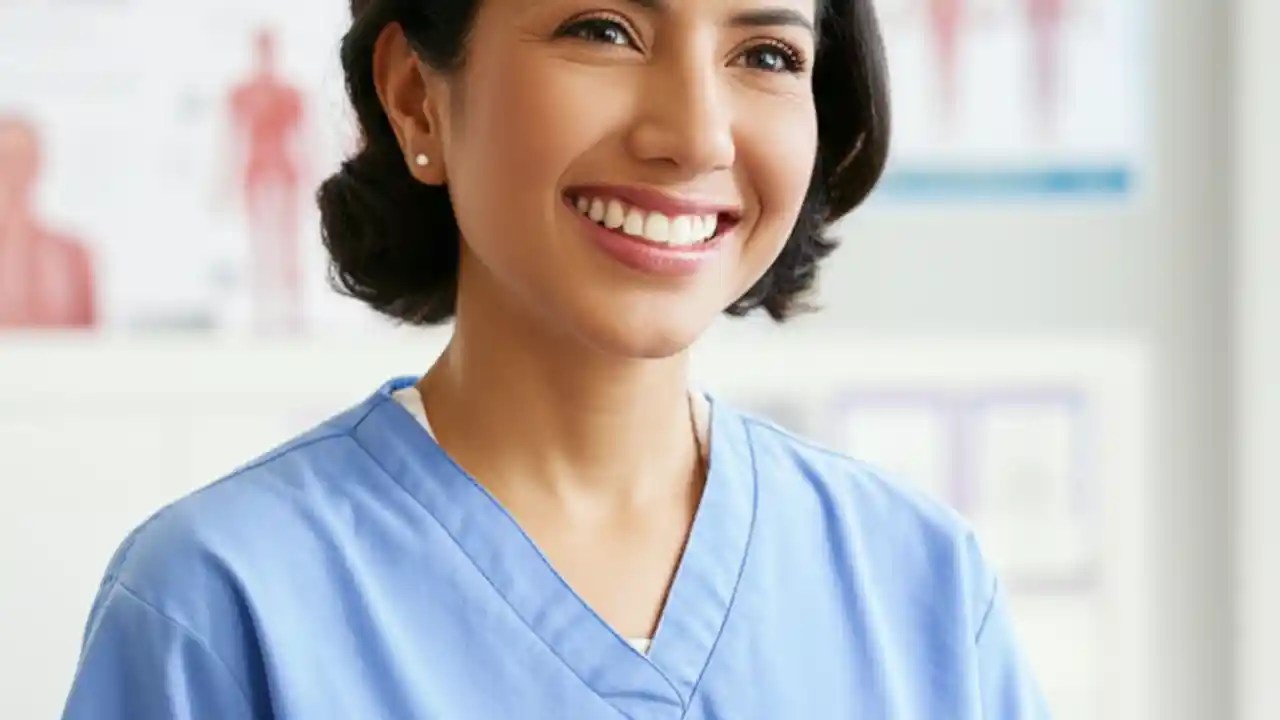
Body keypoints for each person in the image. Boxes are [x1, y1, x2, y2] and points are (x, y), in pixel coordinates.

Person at [61, 0, 1050, 717]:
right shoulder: (223, 602)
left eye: (765, 53)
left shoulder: (919, 585)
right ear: (415, 98)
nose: (694, 136)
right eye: (603, 30)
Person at [0, 116, 96, 329]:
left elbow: (90, 338)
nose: (14, 170)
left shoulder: (72, 255)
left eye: (23, 159)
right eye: (5, 159)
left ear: (38, 164)